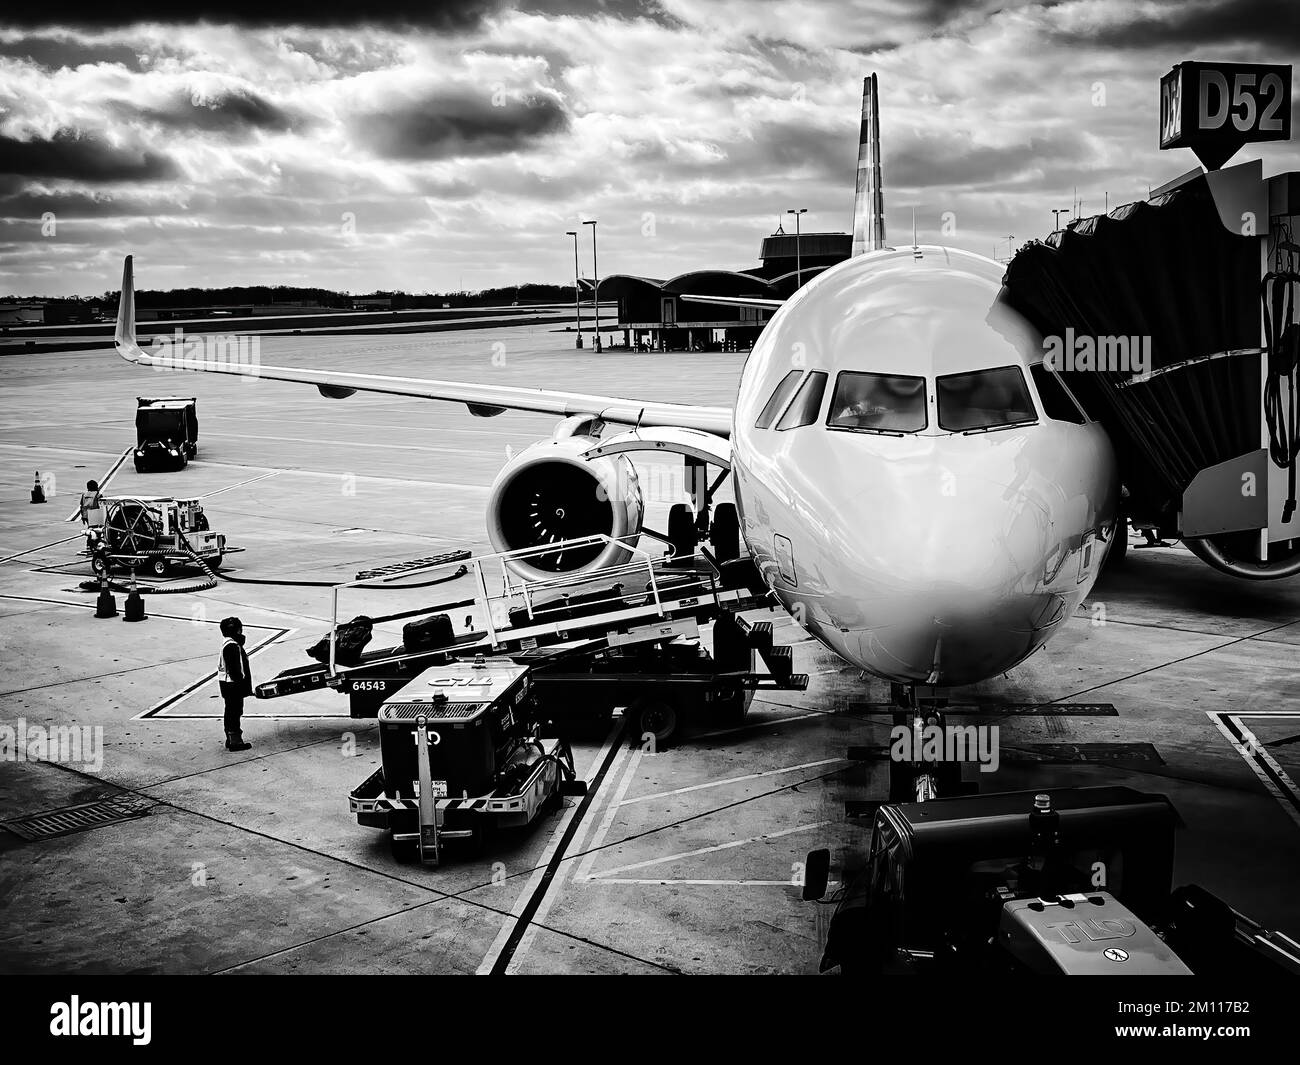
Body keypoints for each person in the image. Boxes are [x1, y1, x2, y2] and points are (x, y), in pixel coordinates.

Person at [217, 616, 253, 751]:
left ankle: (230, 738)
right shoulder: (232, 646)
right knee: (234, 711)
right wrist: (243, 686)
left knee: (230, 711)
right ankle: (235, 741)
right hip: (233, 685)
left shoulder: (227, 643)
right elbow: (236, 671)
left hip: (226, 684)